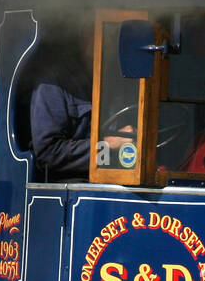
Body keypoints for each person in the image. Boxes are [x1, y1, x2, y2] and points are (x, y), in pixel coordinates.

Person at [28, 25, 131, 182]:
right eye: (108, 33)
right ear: (86, 35)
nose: (112, 41)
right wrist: (108, 145)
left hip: (117, 180)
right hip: (72, 188)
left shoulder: (119, 82)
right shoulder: (53, 83)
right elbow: (49, 152)